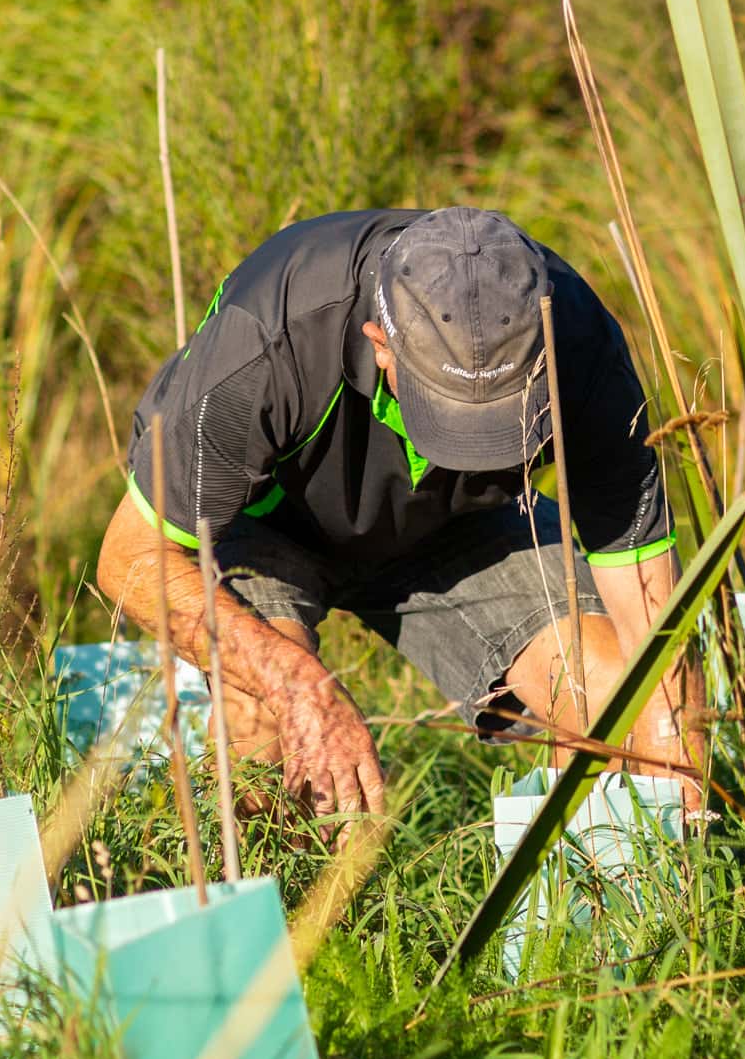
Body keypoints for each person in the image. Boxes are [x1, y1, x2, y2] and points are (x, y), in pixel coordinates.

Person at [94, 205, 700, 819]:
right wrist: (299, 688)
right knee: (261, 727)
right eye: (452, 421)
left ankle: (600, 873)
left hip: (455, 519)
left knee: (613, 699)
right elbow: (130, 562)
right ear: (380, 345)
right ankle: (298, 881)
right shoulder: (270, 342)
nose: (475, 446)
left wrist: (683, 792)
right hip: (265, 520)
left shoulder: (577, 340)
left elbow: (649, 605)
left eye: (498, 426)